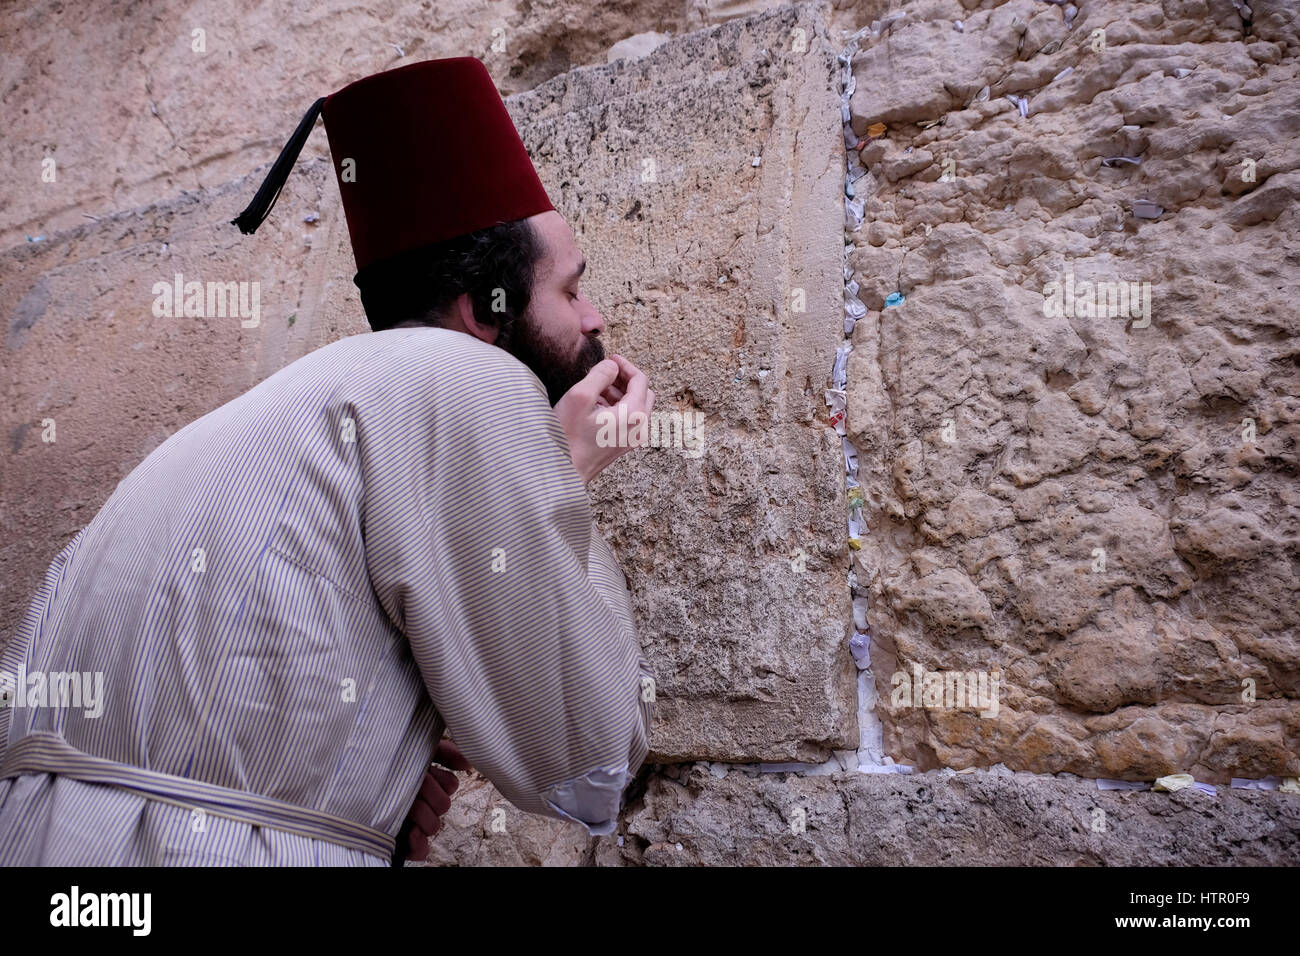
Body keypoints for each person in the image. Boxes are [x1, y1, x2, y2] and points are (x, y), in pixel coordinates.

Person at [0, 56, 656, 866]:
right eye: (569, 289)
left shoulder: (264, 411)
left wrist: (368, 769)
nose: (593, 317)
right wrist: (562, 478)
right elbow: (588, 765)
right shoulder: (470, 380)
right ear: (483, 312)